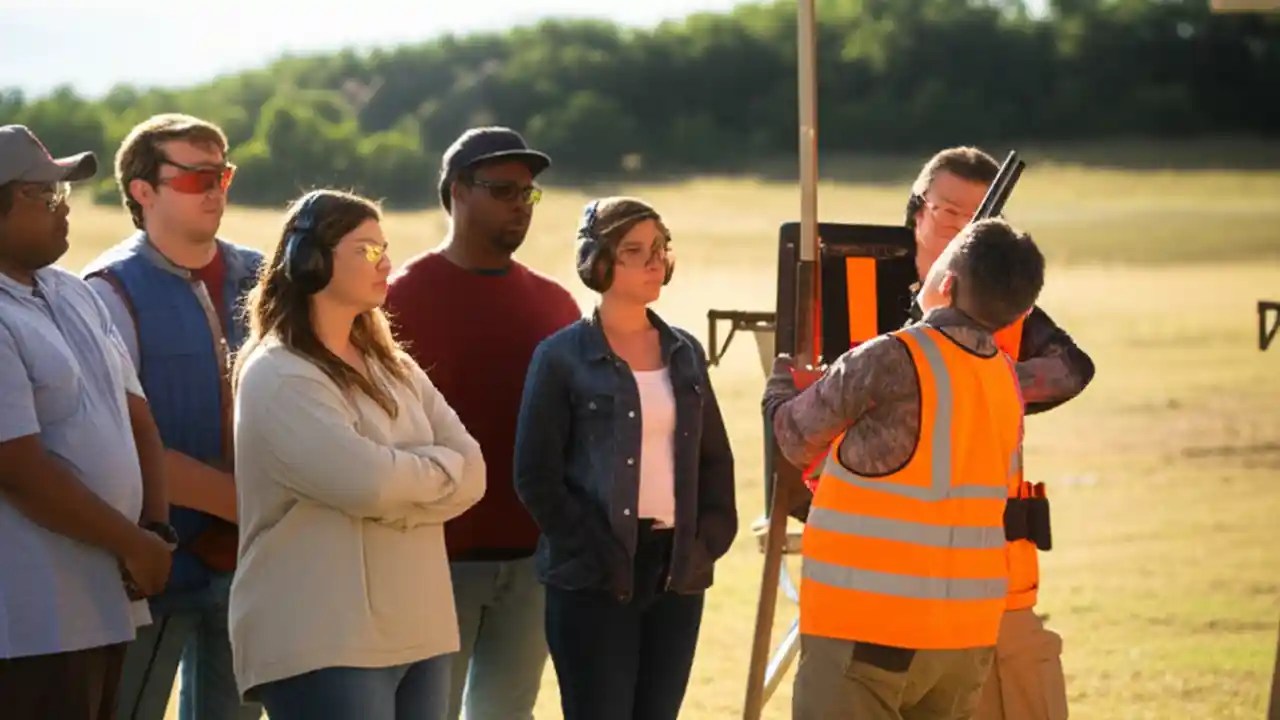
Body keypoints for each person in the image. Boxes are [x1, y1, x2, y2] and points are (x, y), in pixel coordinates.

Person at [767, 218, 1045, 720]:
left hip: (869, 629)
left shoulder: (892, 356)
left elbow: (793, 435)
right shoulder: (1005, 380)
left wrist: (781, 386)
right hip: (965, 637)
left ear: (948, 283)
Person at [230, 189, 486, 720]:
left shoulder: (395, 367)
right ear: (312, 260)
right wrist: (431, 475)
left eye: (385, 248)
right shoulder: (279, 374)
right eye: (367, 249)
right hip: (324, 635)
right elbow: (364, 484)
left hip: (421, 626)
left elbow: (474, 471)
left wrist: (399, 480)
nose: (386, 262)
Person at [514, 197, 737, 720]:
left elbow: (715, 462)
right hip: (591, 578)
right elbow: (535, 477)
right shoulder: (560, 356)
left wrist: (707, 542)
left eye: (659, 248)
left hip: (676, 574)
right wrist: (597, 552)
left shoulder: (685, 352)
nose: (654, 261)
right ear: (597, 261)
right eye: (635, 250)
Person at [384, 126, 581, 720]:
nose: (520, 205)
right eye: (502, 190)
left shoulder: (556, 305)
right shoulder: (396, 301)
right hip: (429, 560)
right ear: (456, 192)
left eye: (528, 194)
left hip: (533, 564)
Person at [81, 113, 263, 720]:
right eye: (195, 177)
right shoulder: (107, 291)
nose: (214, 190)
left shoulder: (265, 276)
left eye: (223, 174)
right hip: (154, 566)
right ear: (143, 190)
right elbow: (120, 440)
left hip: (255, 565)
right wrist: (244, 502)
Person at [904, 146, 1095, 720]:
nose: (959, 230)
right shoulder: (855, 282)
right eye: (947, 213)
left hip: (990, 563)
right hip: (889, 566)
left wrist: (978, 377)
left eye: (976, 220)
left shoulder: (1004, 305)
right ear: (916, 211)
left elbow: (1072, 369)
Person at [0, 125, 174, 719]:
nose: (62, 209)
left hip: (106, 599)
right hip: (29, 621)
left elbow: (138, 420)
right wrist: (134, 545)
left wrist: (157, 530)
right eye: (44, 196)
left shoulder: (75, 293)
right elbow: (18, 469)